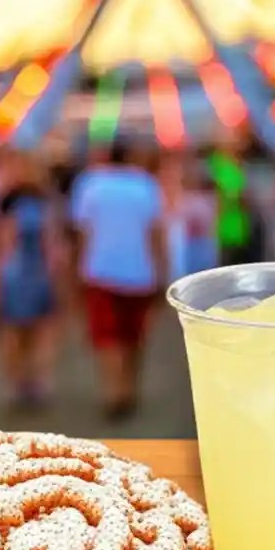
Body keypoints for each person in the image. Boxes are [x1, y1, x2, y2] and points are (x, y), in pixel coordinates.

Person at [70, 141, 166, 421]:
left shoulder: (90, 184)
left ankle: (114, 390)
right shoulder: (146, 185)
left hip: (100, 271)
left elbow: (82, 231)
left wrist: (78, 268)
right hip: (140, 272)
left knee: (107, 337)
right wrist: (162, 269)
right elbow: (155, 233)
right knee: (133, 336)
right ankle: (129, 387)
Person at [0, 154, 58, 410]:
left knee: (22, 331)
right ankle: (30, 381)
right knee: (29, 331)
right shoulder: (32, 203)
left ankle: (24, 381)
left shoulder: (16, 203)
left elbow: (3, 244)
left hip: (22, 272)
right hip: (29, 271)